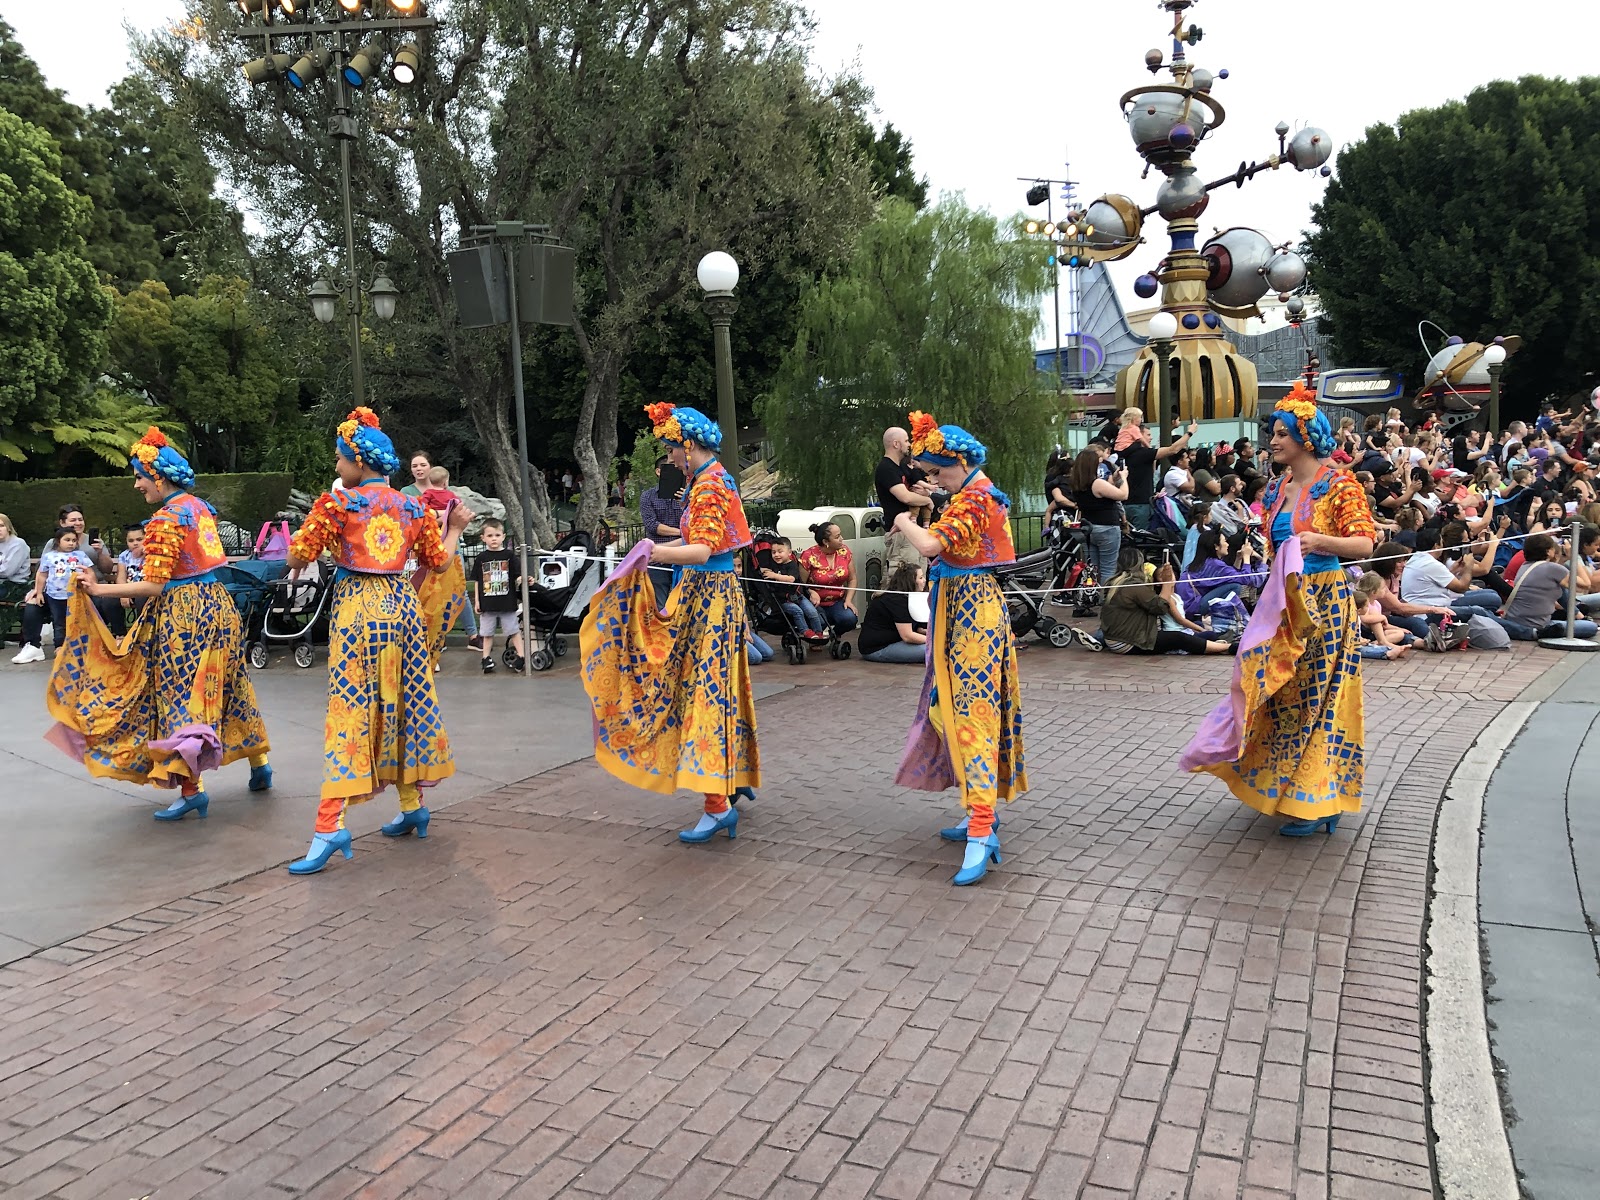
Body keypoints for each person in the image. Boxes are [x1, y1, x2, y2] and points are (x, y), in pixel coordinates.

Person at [45, 427, 272, 819]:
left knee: (179, 698)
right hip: (219, 604)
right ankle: (260, 765)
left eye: (139, 476)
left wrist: (98, 591)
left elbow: (152, 584)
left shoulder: (167, 518)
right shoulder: (198, 507)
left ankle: (191, 788)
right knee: (231, 684)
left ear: (158, 477)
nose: (137, 485)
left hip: (184, 613)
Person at [282, 408, 472, 874]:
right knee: (401, 703)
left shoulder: (337, 503)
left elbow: (294, 555)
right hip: (401, 608)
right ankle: (412, 806)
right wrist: (457, 530)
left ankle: (330, 826)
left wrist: (329, 539)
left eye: (339, 459)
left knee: (351, 714)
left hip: (358, 613)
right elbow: (439, 563)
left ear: (358, 462)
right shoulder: (414, 506)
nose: (336, 468)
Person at [1181, 383, 1376, 837]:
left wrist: (1321, 541)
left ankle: (1318, 801)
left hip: (1324, 604)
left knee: (1317, 700)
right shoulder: (1274, 489)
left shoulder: (1339, 484)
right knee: (1276, 694)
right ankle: (1283, 785)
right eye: (1272, 432)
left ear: (1306, 437)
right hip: (1282, 604)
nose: (1273, 440)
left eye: (1282, 433)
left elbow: (1365, 542)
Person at [580, 402, 760, 844]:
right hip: (706, 596)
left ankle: (718, 805)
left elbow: (702, 551)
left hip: (710, 599)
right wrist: (661, 545)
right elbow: (706, 540)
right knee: (711, 694)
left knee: (703, 696)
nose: (670, 459)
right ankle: (727, 783)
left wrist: (653, 552)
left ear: (688, 445)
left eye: (672, 450)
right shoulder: (711, 480)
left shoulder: (708, 486)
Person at [890, 410, 1026, 887]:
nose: (932, 479)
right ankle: (977, 812)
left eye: (936, 470)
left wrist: (903, 520)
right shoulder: (968, 494)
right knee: (951, 709)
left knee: (971, 715)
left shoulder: (976, 499)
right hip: (959, 613)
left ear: (960, 460)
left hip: (972, 619)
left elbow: (929, 546)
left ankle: (983, 826)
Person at [1084, 546, 1235, 656]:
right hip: (1127, 642)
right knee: (1178, 638)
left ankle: (1218, 643)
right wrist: (1167, 583)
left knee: (1179, 637)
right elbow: (1160, 607)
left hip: (1114, 639)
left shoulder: (1114, 581)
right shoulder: (1135, 585)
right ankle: (1227, 647)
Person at [1498, 533, 1599, 640]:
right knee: (1591, 627)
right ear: (1548, 552)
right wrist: (1574, 557)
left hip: (1516, 620)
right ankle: (1578, 617)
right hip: (1539, 624)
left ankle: (1578, 615)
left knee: (1560, 588)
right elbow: (1586, 584)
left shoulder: (1525, 566)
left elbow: (1558, 588)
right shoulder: (1552, 569)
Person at [1114, 409, 1198, 529]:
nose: (1150, 438)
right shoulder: (1142, 454)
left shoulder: (1121, 455)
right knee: (1142, 539)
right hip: (1141, 505)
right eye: (1148, 435)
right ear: (1138, 435)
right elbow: (1172, 450)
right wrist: (1189, 433)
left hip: (1123, 505)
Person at [25, 526, 95, 655]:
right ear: (58, 541)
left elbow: (89, 571)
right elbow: (42, 575)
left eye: (74, 540)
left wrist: (92, 585)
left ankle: (80, 644)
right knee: (59, 621)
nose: (71, 543)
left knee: (79, 619)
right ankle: (60, 645)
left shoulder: (80, 555)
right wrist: (39, 592)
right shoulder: (49, 556)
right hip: (55, 595)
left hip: (77, 594)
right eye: (67, 540)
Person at [469, 518, 524, 674]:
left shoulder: (509, 555)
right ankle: (485, 658)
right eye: (490, 535)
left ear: (503, 536)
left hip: (507, 602)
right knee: (487, 633)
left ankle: (521, 656)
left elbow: (517, 575)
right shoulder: (481, 558)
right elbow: (478, 581)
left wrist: (523, 579)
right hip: (488, 603)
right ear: (483, 538)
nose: (494, 539)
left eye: (497, 535)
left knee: (513, 630)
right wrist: (477, 601)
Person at [1068, 447, 1125, 596]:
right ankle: (1105, 599)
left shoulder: (1077, 485)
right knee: (1108, 567)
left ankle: (1091, 596)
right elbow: (1123, 495)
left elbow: (1107, 488)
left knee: (1093, 567)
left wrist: (1113, 479)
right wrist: (1124, 478)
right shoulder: (1097, 484)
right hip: (1107, 527)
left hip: (1089, 529)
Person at [877, 427, 934, 570]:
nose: (909, 445)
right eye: (906, 441)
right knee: (904, 581)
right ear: (896, 444)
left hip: (915, 531)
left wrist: (925, 494)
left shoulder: (901, 468)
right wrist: (927, 501)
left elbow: (914, 490)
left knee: (918, 580)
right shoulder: (886, 468)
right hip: (900, 533)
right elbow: (906, 497)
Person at [857, 562, 928, 663]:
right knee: (933, 650)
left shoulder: (909, 598)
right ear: (911, 581)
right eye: (920, 578)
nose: (924, 580)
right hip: (877, 648)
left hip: (895, 641)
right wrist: (932, 640)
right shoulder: (897, 600)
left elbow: (917, 627)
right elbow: (907, 635)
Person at [639, 456, 685, 608]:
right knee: (660, 603)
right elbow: (652, 525)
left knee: (684, 600)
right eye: (669, 467)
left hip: (683, 556)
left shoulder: (687, 494)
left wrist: (686, 502)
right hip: (658, 558)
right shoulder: (648, 496)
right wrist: (681, 532)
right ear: (659, 471)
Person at [759, 537, 827, 641]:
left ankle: (818, 632)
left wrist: (774, 575)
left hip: (798, 595)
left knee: (812, 612)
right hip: (783, 600)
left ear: (789, 552)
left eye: (780, 552)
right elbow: (763, 569)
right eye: (773, 552)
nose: (776, 555)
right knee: (797, 611)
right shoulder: (772, 565)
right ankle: (805, 631)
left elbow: (791, 579)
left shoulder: (792, 565)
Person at [800, 522, 860, 633]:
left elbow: (852, 579)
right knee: (819, 621)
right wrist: (810, 591)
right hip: (814, 603)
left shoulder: (844, 551)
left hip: (836, 601)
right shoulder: (809, 556)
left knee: (850, 618)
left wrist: (848, 600)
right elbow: (800, 585)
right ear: (825, 542)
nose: (842, 539)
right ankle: (815, 637)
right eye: (837, 537)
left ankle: (834, 635)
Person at [0, 512, 29, 649]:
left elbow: (7, 571)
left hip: (16, 586)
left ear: (8, 527)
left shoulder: (18, 544)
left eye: (1, 526)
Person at [114, 523, 148, 623]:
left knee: (141, 600)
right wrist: (123, 594)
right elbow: (121, 577)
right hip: (129, 589)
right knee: (109, 601)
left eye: (139, 539)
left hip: (145, 590)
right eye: (131, 541)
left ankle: (141, 630)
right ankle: (119, 633)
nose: (135, 543)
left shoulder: (152, 553)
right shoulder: (124, 555)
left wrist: (146, 553)